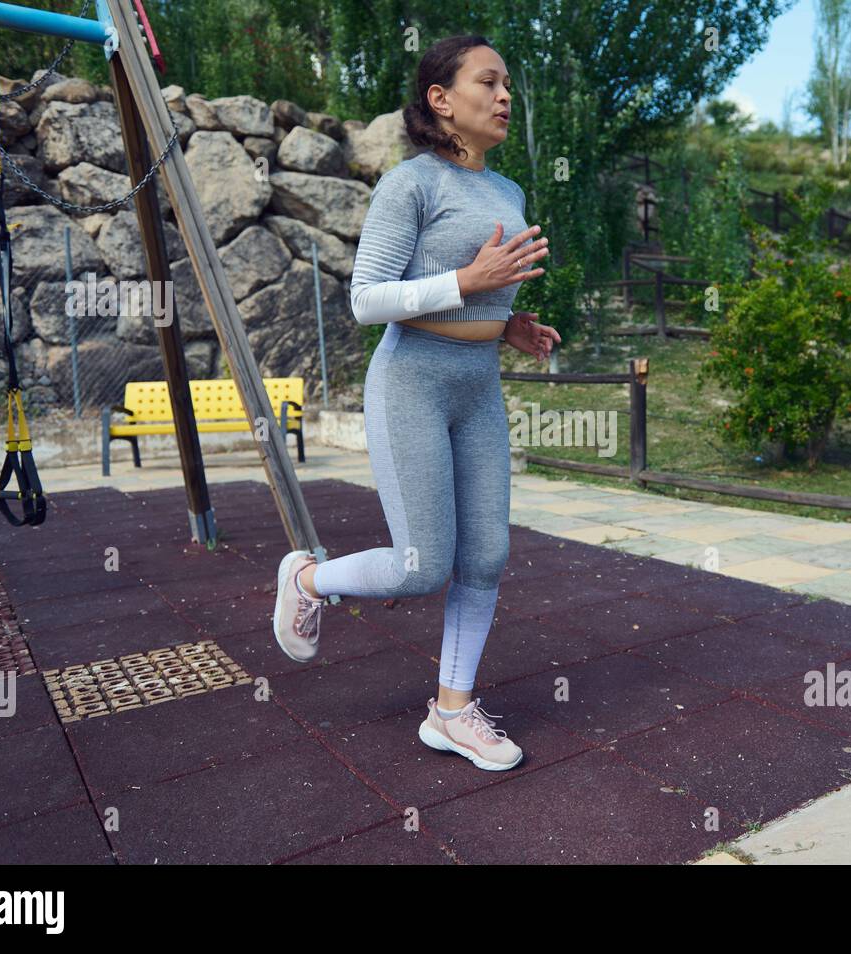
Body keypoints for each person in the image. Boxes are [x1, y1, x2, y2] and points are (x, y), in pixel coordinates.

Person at [272, 34, 560, 772]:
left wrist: (511, 324)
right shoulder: (411, 183)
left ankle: (452, 711)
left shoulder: (508, 192)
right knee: (420, 566)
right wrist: (467, 282)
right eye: (488, 83)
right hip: (412, 384)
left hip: (477, 385)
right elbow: (366, 298)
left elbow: (484, 294)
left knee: (488, 555)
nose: (504, 98)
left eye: (507, 86)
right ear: (441, 99)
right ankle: (306, 577)